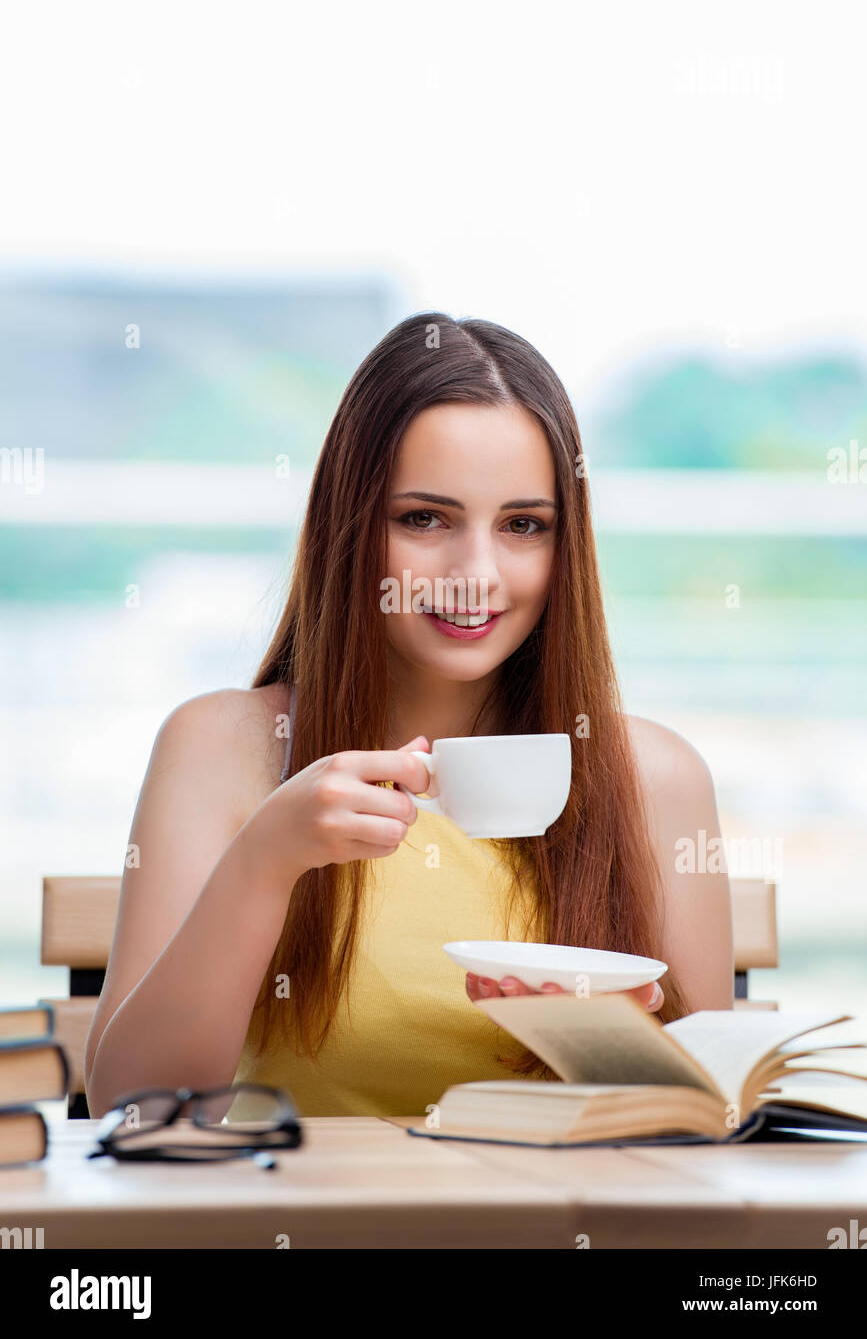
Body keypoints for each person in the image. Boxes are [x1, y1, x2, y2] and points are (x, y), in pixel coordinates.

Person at [84, 312, 733, 1121]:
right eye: (424, 519)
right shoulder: (226, 748)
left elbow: (712, 1121)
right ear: (349, 527)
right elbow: (136, 1105)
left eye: (522, 526)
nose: (476, 573)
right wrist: (266, 860)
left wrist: (605, 1042)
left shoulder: (654, 779)